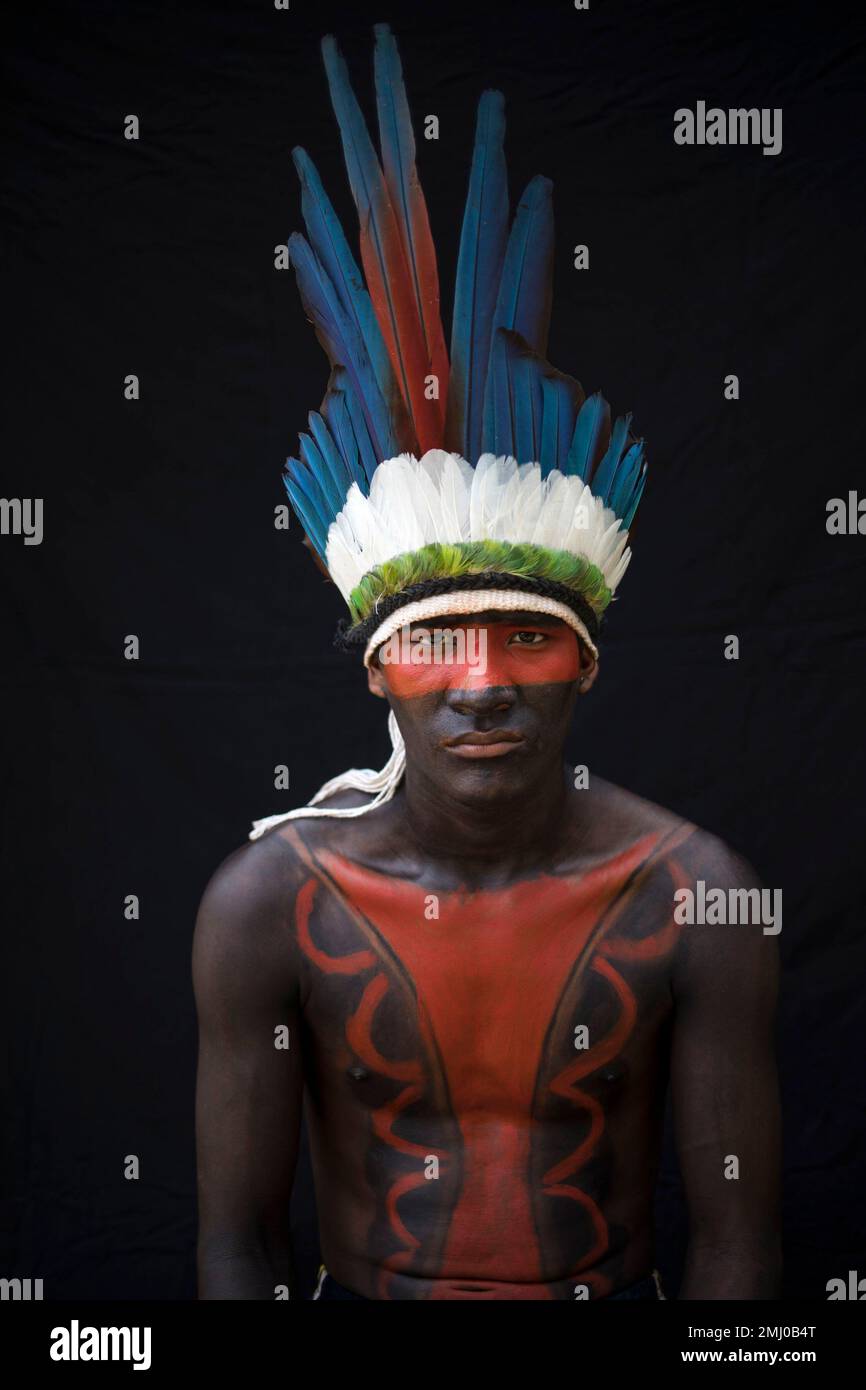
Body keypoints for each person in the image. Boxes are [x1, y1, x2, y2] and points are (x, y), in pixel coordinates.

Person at [193, 24, 781, 1301]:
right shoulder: (262, 905)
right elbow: (237, 1246)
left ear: (583, 665)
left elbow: (737, 1248)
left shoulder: (694, 894)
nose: (478, 681)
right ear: (374, 671)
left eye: (525, 636)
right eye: (431, 642)